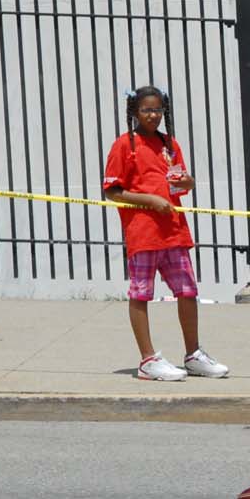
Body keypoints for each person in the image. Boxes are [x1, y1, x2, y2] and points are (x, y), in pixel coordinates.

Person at [101, 85, 230, 382]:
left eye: (157, 110)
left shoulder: (169, 144)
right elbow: (112, 191)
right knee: (141, 293)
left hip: (173, 231)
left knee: (187, 291)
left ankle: (193, 354)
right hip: (143, 233)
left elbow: (180, 183)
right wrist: (149, 200)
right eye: (146, 110)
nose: (153, 115)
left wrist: (187, 182)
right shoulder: (124, 145)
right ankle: (148, 360)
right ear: (134, 112)